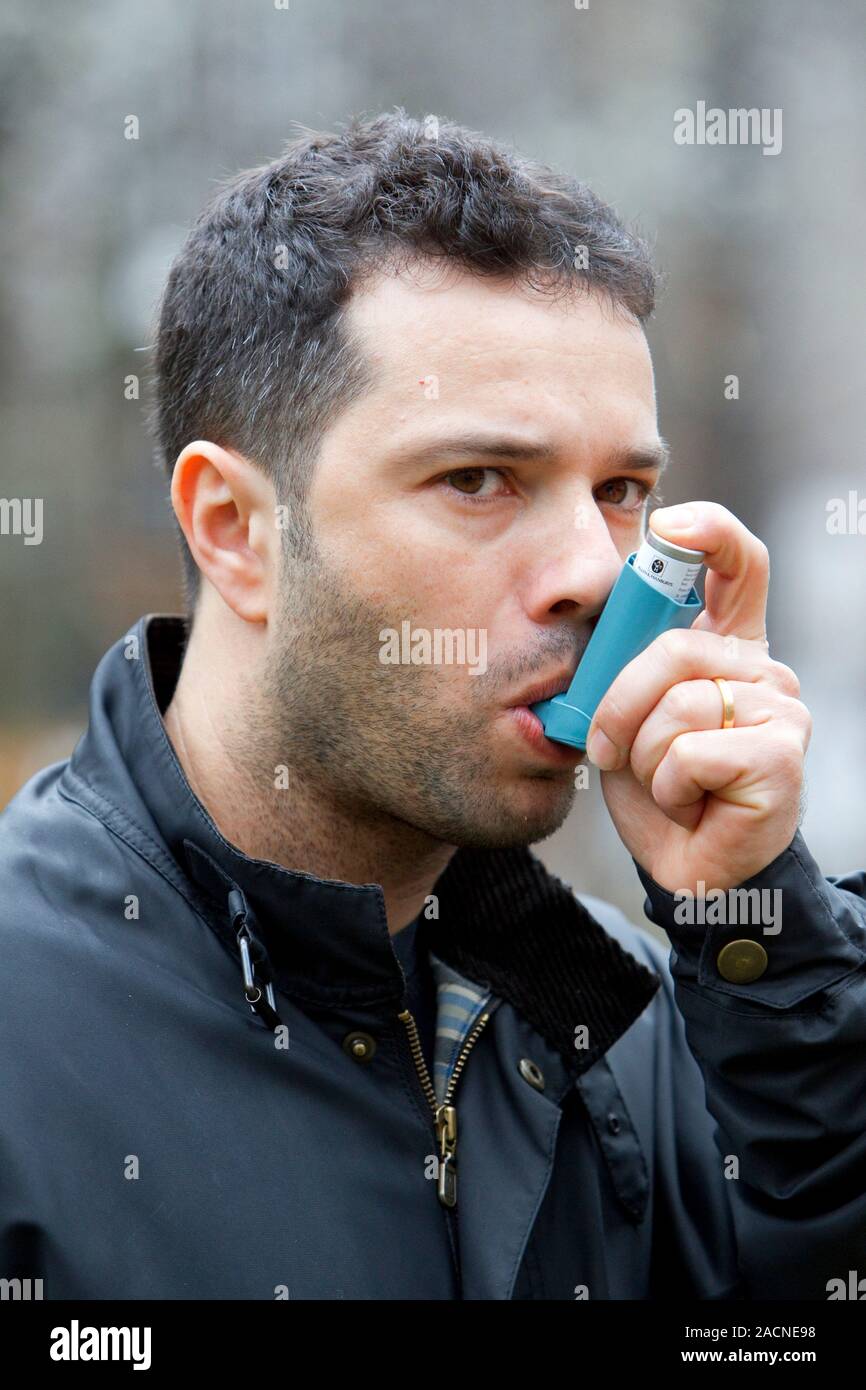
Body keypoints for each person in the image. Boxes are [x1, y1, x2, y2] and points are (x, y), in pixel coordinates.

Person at [1, 109, 864, 1301]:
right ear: (235, 529)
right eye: (476, 479)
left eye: (621, 488)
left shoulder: (634, 1017)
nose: (594, 570)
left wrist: (759, 941)